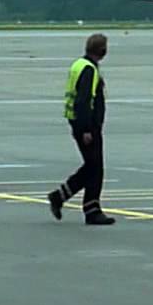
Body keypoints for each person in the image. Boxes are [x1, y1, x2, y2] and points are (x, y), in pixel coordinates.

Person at [48, 33, 115, 225]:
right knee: (95, 168)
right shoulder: (88, 70)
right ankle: (91, 210)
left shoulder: (80, 65)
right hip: (87, 126)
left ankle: (61, 197)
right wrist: (87, 129)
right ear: (102, 51)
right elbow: (83, 101)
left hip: (80, 123)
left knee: (91, 166)